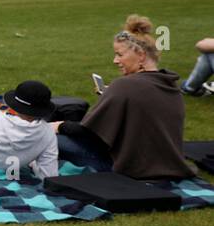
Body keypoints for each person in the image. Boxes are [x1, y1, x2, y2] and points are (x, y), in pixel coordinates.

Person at [56, 15, 193, 179]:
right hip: (167, 162)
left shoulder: (124, 86)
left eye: (119, 54)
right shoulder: (169, 84)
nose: (115, 60)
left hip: (130, 167)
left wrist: (59, 126)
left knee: (45, 138)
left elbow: (89, 134)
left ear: (141, 55)